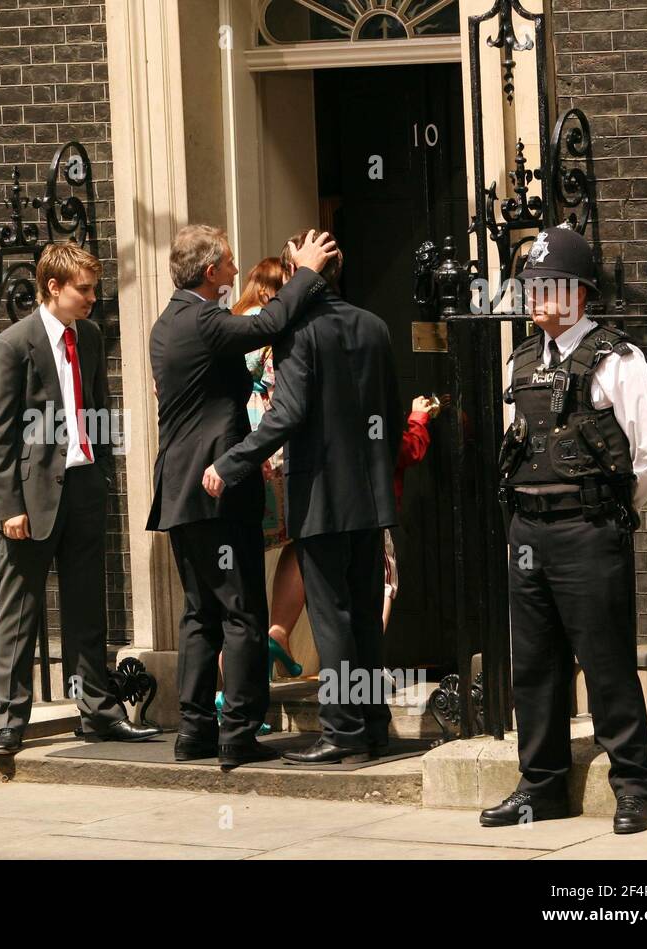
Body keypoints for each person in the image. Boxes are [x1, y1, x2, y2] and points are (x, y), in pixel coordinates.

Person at [481, 224, 647, 835]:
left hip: (588, 529)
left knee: (607, 660)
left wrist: (609, 507)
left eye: (548, 284)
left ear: (580, 293)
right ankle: (539, 788)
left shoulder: (618, 357)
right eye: (529, 284)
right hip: (528, 531)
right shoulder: (522, 361)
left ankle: (633, 786)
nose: (534, 295)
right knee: (534, 666)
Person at [204, 231, 403, 765]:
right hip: (369, 494)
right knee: (363, 613)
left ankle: (341, 730)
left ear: (301, 274)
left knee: (331, 616)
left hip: (320, 493)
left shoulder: (300, 333)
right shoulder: (375, 326)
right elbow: (391, 406)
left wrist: (232, 461)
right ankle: (374, 724)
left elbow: (285, 415)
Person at [148, 224, 336, 771]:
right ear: (210, 272)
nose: (235, 271)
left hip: (178, 490)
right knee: (243, 611)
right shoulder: (206, 320)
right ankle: (239, 731)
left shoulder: (166, 323)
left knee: (199, 613)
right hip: (218, 487)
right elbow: (273, 321)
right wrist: (308, 270)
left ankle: (194, 730)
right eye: (229, 263)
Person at [0, 242, 160, 757]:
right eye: (83, 289)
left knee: (88, 608)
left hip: (83, 487)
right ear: (53, 287)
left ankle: (100, 714)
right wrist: (7, 505)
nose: (91, 298)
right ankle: (9, 720)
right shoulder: (13, 346)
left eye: (94, 288)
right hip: (32, 497)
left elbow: (99, 407)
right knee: (20, 609)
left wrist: (102, 470)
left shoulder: (91, 336)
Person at [231, 258, 307, 677]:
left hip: (241, 451)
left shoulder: (230, 322)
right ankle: (273, 636)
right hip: (270, 452)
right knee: (300, 540)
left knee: (243, 557)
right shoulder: (265, 324)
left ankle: (244, 677)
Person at [384, 394, 443, 631]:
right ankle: (370, 662)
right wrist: (418, 418)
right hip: (376, 513)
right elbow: (407, 450)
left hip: (345, 510)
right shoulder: (370, 409)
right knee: (384, 582)